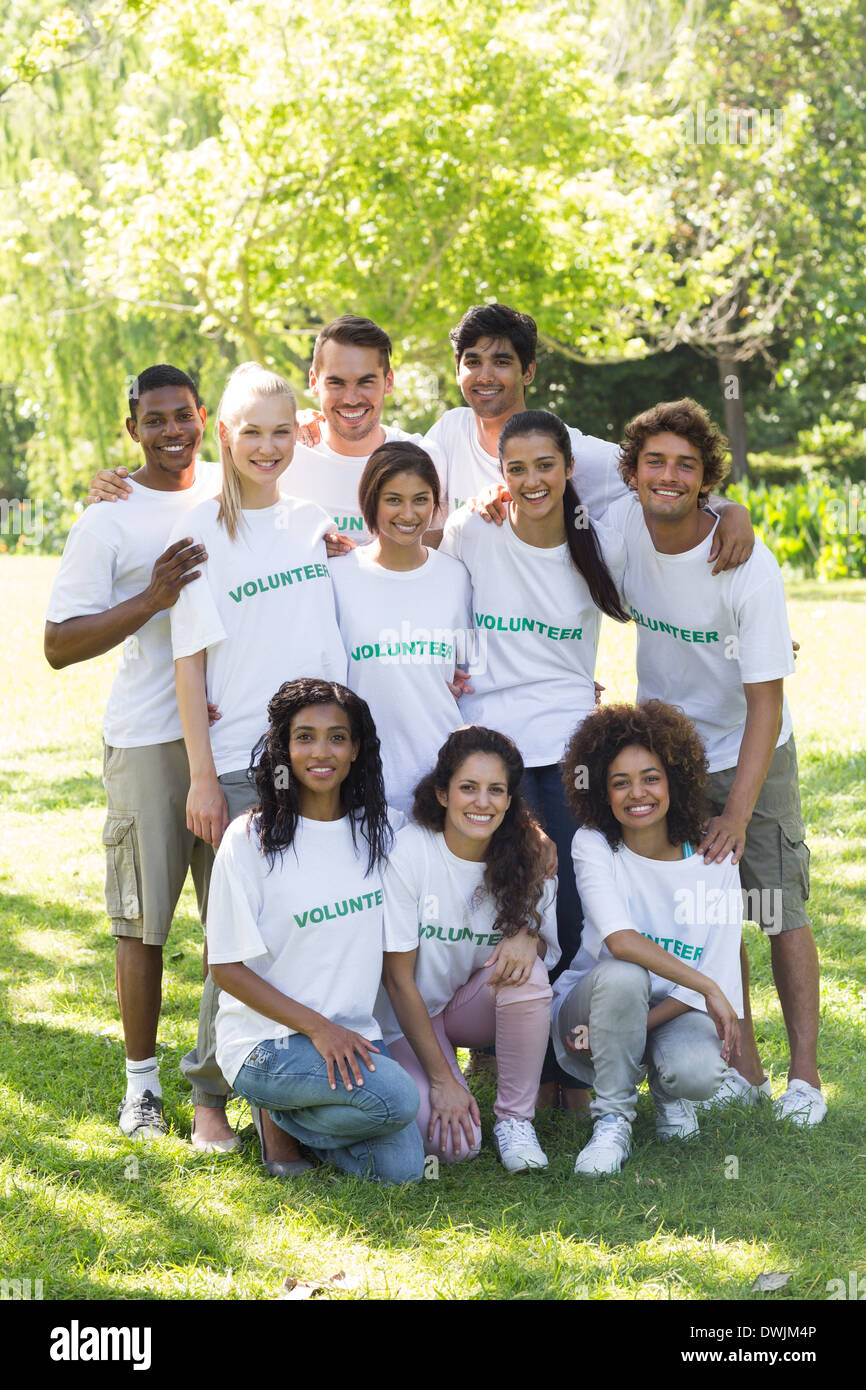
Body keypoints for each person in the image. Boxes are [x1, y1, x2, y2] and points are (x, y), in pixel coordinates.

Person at [603, 399, 824, 1125]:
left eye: (688, 466)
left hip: (747, 750)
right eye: (655, 462)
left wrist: (736, 810)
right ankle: (745, 1071)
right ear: (632, 472)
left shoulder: (743, 563)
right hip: (670, 760)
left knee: (777, 911)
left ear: (707, 480)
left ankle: (805, 1079)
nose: (668, 477)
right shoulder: (620, 526)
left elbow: (766, 702)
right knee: (709, 914)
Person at [169, 361, 348, 1151]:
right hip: (241, 761)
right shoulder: (200, 536)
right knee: (233, 935)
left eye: (283, 432)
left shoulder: (314, 522)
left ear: (298, 433)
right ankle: (211, 1098)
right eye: (253, 433)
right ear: (224, 434)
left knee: (296, 929)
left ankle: (287, 1101)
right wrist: (203, 775)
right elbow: (188, 664)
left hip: (321, 761)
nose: (268, 447)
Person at [44, 364, 219, 1141]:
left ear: (205, 416)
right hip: (148, 738)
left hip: (235, 736)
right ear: (133, 430)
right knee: (143, 921)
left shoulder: (231, 487)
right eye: (156, 421)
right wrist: (150, 598)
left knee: (238, 922)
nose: (172, 432)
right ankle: (141, 1088)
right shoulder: (105, 519)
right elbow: (56, 644)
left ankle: (220, 1083)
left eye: (184, 415)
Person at [438, 408, 630, 1108]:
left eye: (544, 465)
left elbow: (676, 571)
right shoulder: (472, 530)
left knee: (571, 907)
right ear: (500, 473)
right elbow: (425, 588)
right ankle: (498, 1054)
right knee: (497, 901)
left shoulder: (598, 543)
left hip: (571, 747)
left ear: (568, 467)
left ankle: (568, 1072)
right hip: (491, 746)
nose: (530, 480)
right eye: (514, 468)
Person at [207, 678, 424, 1184]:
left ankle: (290, 1124)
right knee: (398, 1098)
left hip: (354, 1037)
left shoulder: (383, 833)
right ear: (283, 748)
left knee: (402, 1171)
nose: (320, 752)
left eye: (336, 737)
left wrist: (533, 841)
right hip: (267, 1043)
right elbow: (225, 968)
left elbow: (459, 845)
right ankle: (272, 1108)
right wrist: (318, 1028)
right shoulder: (250, 840)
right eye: (304, 737)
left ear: (355, 751)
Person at [553, 701, 743, 1176]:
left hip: (662, 1014)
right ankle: (612, 1120)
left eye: (651, 778)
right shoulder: (594, 843)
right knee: (623, 972)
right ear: (602, 790)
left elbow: (712, 970)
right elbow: (619, 941)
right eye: (620, 782)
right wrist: (709, 988)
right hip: (592, 1010)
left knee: (698, 1072)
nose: (637, 794)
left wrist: (641, 1027)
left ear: (675, 781)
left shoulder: (714, 860)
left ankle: (669, 1095)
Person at [429, 301, 755, 573]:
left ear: (528, 371)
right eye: (473, 361)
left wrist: (729, 511)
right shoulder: (450, 429)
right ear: (457, 369)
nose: (485, 376)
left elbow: (662, 484)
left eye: (501, 362)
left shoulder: (574, 453)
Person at [87, 315, 447, 545]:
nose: (351, 398)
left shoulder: (422, 460)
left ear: (389, 382)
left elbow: (432, 562)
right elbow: (191, 489)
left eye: (365, 382)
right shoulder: (277, 455)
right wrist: (122, 488)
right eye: (336, 382)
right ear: (314, 382)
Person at [380, 727, 560, 1173]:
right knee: (453, 1148)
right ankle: (430, 1082)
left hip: (466, 1005)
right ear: (442, 793)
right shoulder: (410, 854)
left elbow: (538, 943)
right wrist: (443, 1081)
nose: (482, 802)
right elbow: (397, 980)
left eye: (496, 790)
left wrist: (526, 934)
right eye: (468, 788)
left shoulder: (529, 857)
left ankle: (516, 1120)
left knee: (529, 974)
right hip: (405, 1015)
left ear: (510, 800)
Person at [329, 439, 473, 813]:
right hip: (363, 786)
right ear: (370, 501)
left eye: (421, 499)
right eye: (393, 499)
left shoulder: (456, 577)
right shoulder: (337, 577)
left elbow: (474, 668)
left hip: (442, 784)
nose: (408, 514)